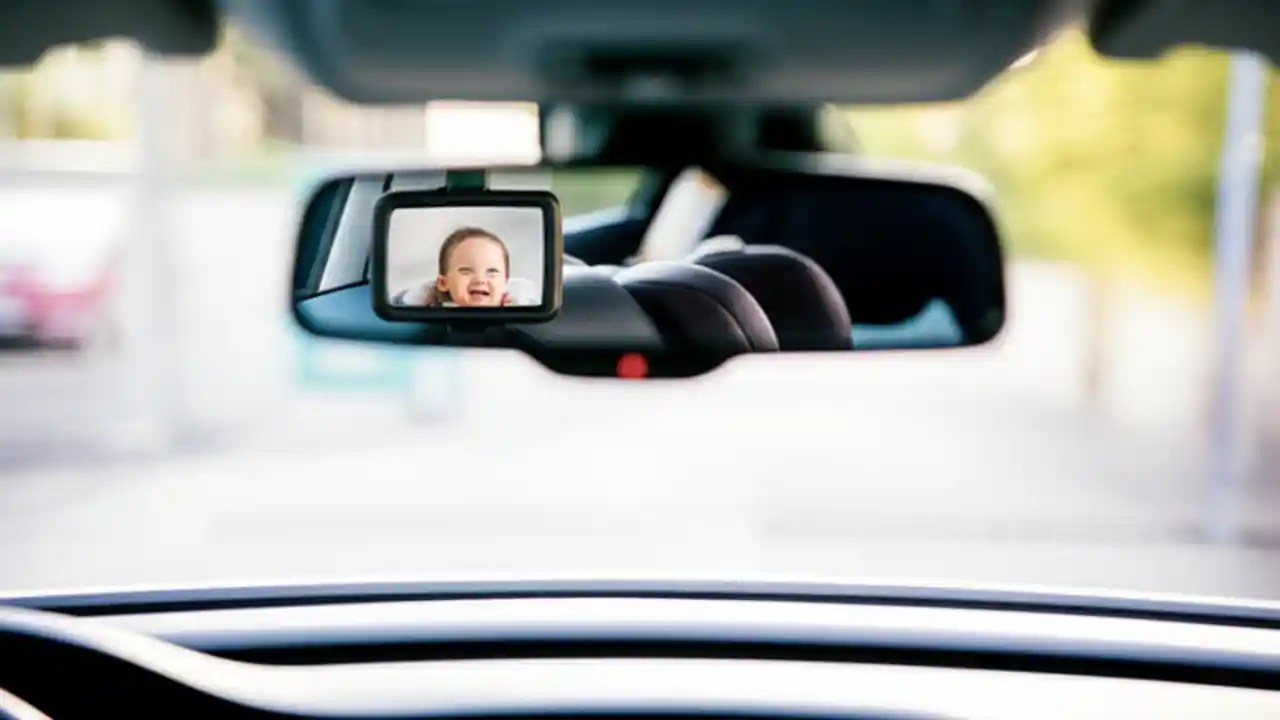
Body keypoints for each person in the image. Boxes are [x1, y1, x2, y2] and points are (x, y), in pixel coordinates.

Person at [396, 226, 510, 307]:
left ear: (505, 283)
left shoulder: (519, 306)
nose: (480, 280)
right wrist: (424, 293)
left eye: (492, 271)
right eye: (466, 271)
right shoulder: (429, 313)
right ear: (443, 283)